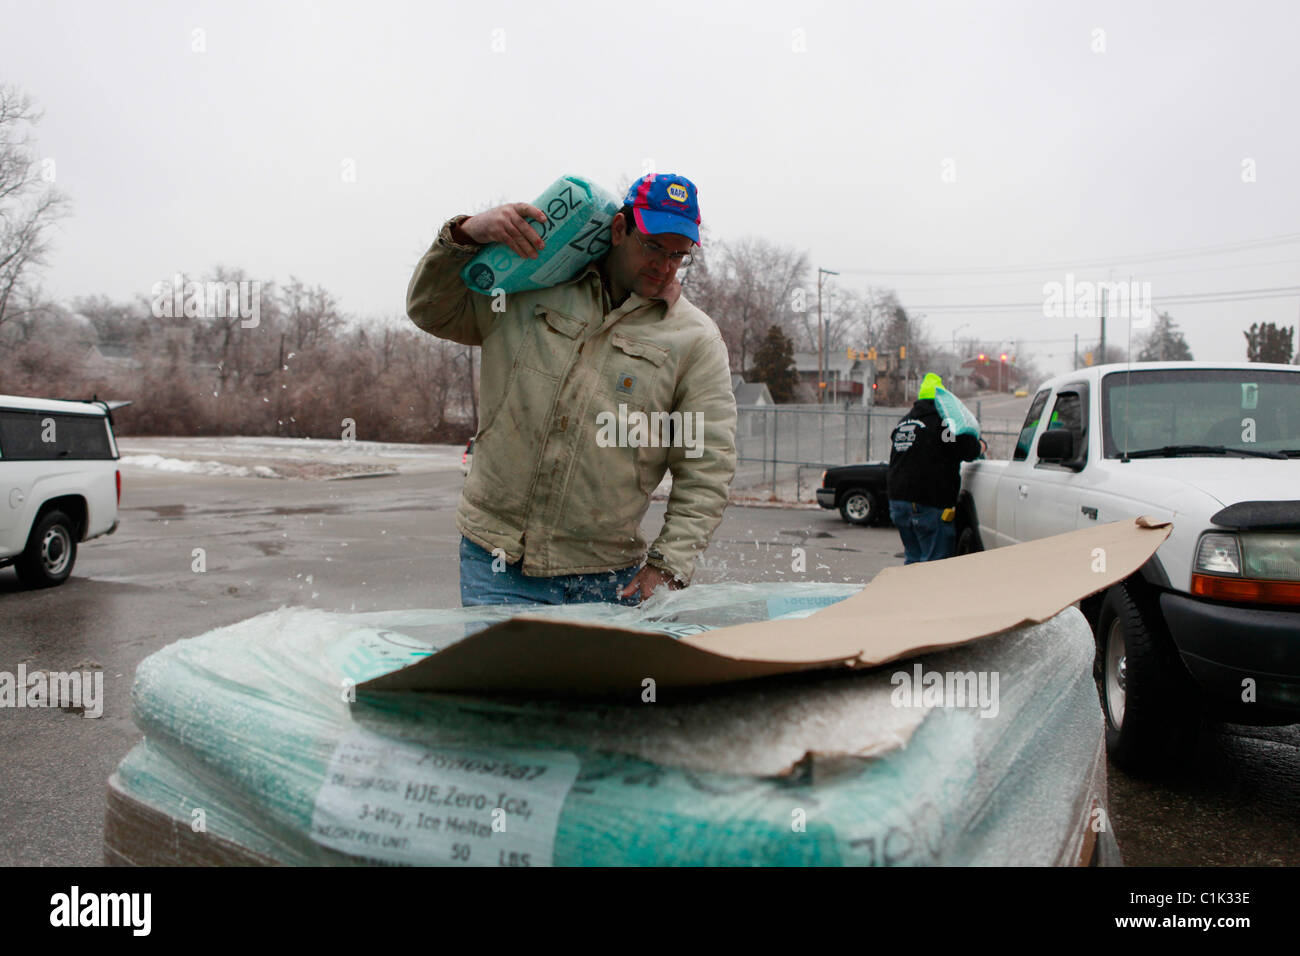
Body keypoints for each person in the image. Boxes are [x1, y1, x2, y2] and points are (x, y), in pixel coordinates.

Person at [406, 173, 737, 606]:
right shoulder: (533, 286)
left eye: (679, 254)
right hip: (499, 560)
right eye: (654, 246)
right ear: (620, 230)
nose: (665, 265)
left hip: (607, 576)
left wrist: (670, 564)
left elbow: (706, 464)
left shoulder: (694, 340)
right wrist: (466, 234)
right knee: (503, 677)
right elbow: (431, 310)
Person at [887, 373, 982, 563]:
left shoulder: (905, 422)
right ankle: (928, 593)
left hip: (898, 502)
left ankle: (908, 592)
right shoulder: (945, 421)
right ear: (942, 398)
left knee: (913, 558)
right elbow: (964, 450)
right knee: (935, 564)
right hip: (928, 502)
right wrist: (979, 446)